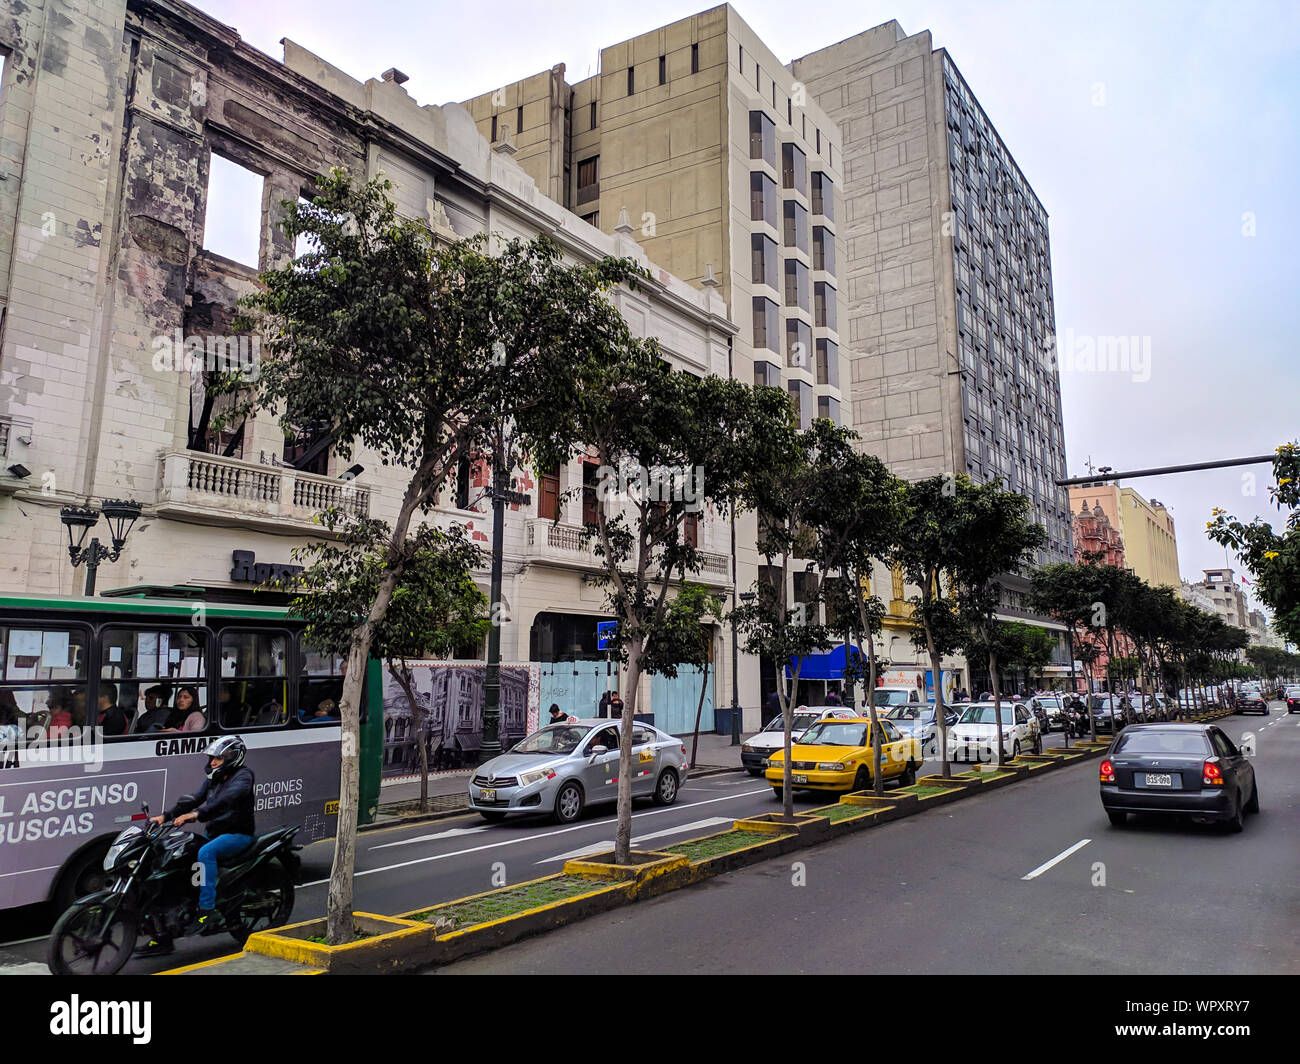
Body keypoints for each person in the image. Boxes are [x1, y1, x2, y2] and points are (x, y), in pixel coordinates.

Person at [141, 735, 254, 954]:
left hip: (237, 834)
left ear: (233, 758)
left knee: (205, 853)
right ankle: (167, 931)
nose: (213, 762)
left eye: (218, 759)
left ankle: (206, 908)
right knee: (178, 857)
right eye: (212, 758)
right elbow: (194, 798)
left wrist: (195, 815)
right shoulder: (215, 778)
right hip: (215, 833)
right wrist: (165, 817)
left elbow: (226, 801)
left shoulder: (243, 777)